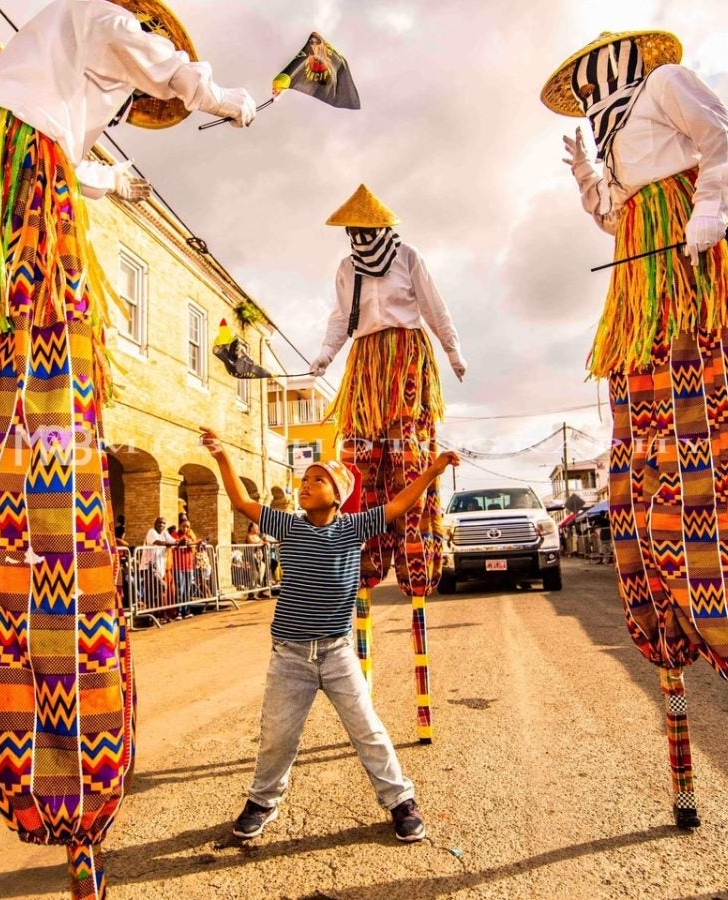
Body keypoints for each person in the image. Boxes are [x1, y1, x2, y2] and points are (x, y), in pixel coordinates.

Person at [0, 2, 256, 896]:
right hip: (5, 171)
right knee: (44, 353)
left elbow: (62, 152)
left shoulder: (47, 100)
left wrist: (113, 186)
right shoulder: (102, 17)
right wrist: (226, 99)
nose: (130, 103)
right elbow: (153, 57)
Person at [548, 30, 728, 889]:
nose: (591, 93)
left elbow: (725, 141)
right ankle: (682, 756)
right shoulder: (615, 133)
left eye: (595, 79)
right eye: (583, 89)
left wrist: (711, 209)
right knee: (646, 456)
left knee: (710, 440)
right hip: (638, 284)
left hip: (693, 273)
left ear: (623, 64)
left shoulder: (667, 84)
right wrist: (589, 177)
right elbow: (618, 218)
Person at [200, 426, 459, 843]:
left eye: (317, 480)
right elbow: (243, 501)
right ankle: (263, 801)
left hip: (338, 653)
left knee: (368, 730)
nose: (306, 486)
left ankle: (400, 801)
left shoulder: (354, 527)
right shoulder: (288, 526)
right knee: (277, 736)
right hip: (290, 656)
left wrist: (435, 470)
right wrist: (222, 456)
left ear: (337, 495)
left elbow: (400, 503)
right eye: (305, 480)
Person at [311, 184, 467, 743]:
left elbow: (434, 306)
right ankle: (363, 569)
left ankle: (418, 566)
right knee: (360, 474)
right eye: (352, 232)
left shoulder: (408, 257)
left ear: (381, 229)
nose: (359, 238)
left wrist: (452, 350)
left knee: (409, 468)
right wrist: (324, 356)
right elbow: (340, 319)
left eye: (365, 230)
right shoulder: (346, 269)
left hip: (405, 360)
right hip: (365, 364)